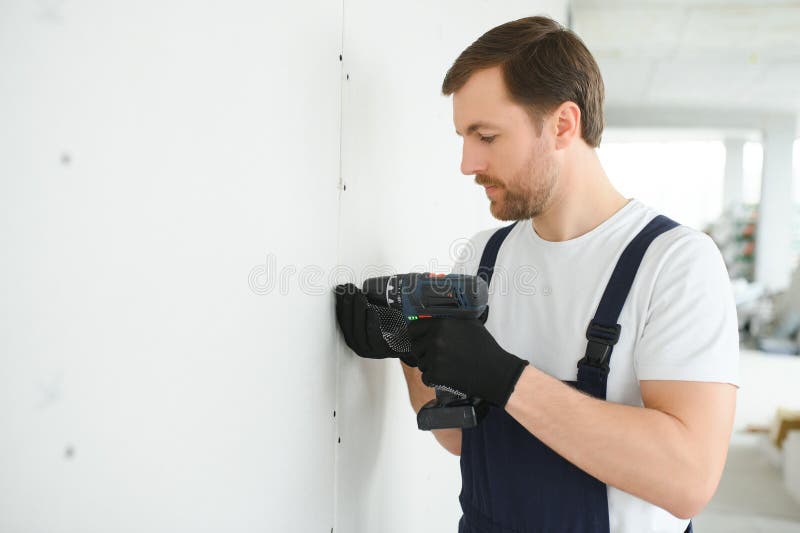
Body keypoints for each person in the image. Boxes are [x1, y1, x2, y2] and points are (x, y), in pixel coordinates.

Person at [334, 15, 738, 533]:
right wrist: (404, 342)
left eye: (485, 136)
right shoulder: (485, 259)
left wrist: (506, 378)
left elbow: (687, 481)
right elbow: (461, 438)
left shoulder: (675, 263)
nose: (467, 163)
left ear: (563, 125)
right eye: (463, 137)